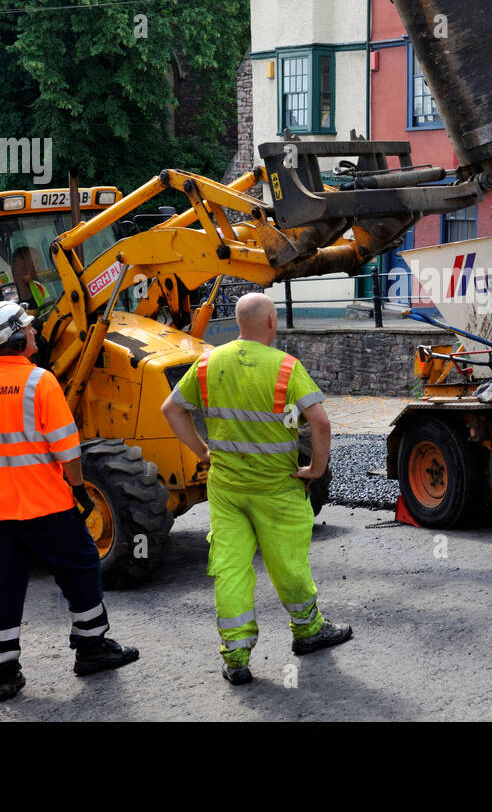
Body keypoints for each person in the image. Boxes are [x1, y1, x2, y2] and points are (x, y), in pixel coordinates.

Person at [160, 292, 350, 687]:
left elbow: (171, 409)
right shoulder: (285, 368)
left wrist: (203, 451)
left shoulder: (210, 362)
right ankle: (307, 630)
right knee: (287, 562)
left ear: (238, 323)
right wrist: (315, 468)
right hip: (276, 489)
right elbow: (321, 423)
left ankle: (236, 657)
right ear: (271, 323)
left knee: (230, 568)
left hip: (227, 488)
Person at [0, 301, 138, 702]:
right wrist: (77, 488)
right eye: (31, 330)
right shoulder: (40, 382)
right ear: (18, 338)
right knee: (81, 565)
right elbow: (67, 450)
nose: (36, 333)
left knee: (4, 583)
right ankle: (91, 648)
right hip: (47, 503)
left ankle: (4, 671)